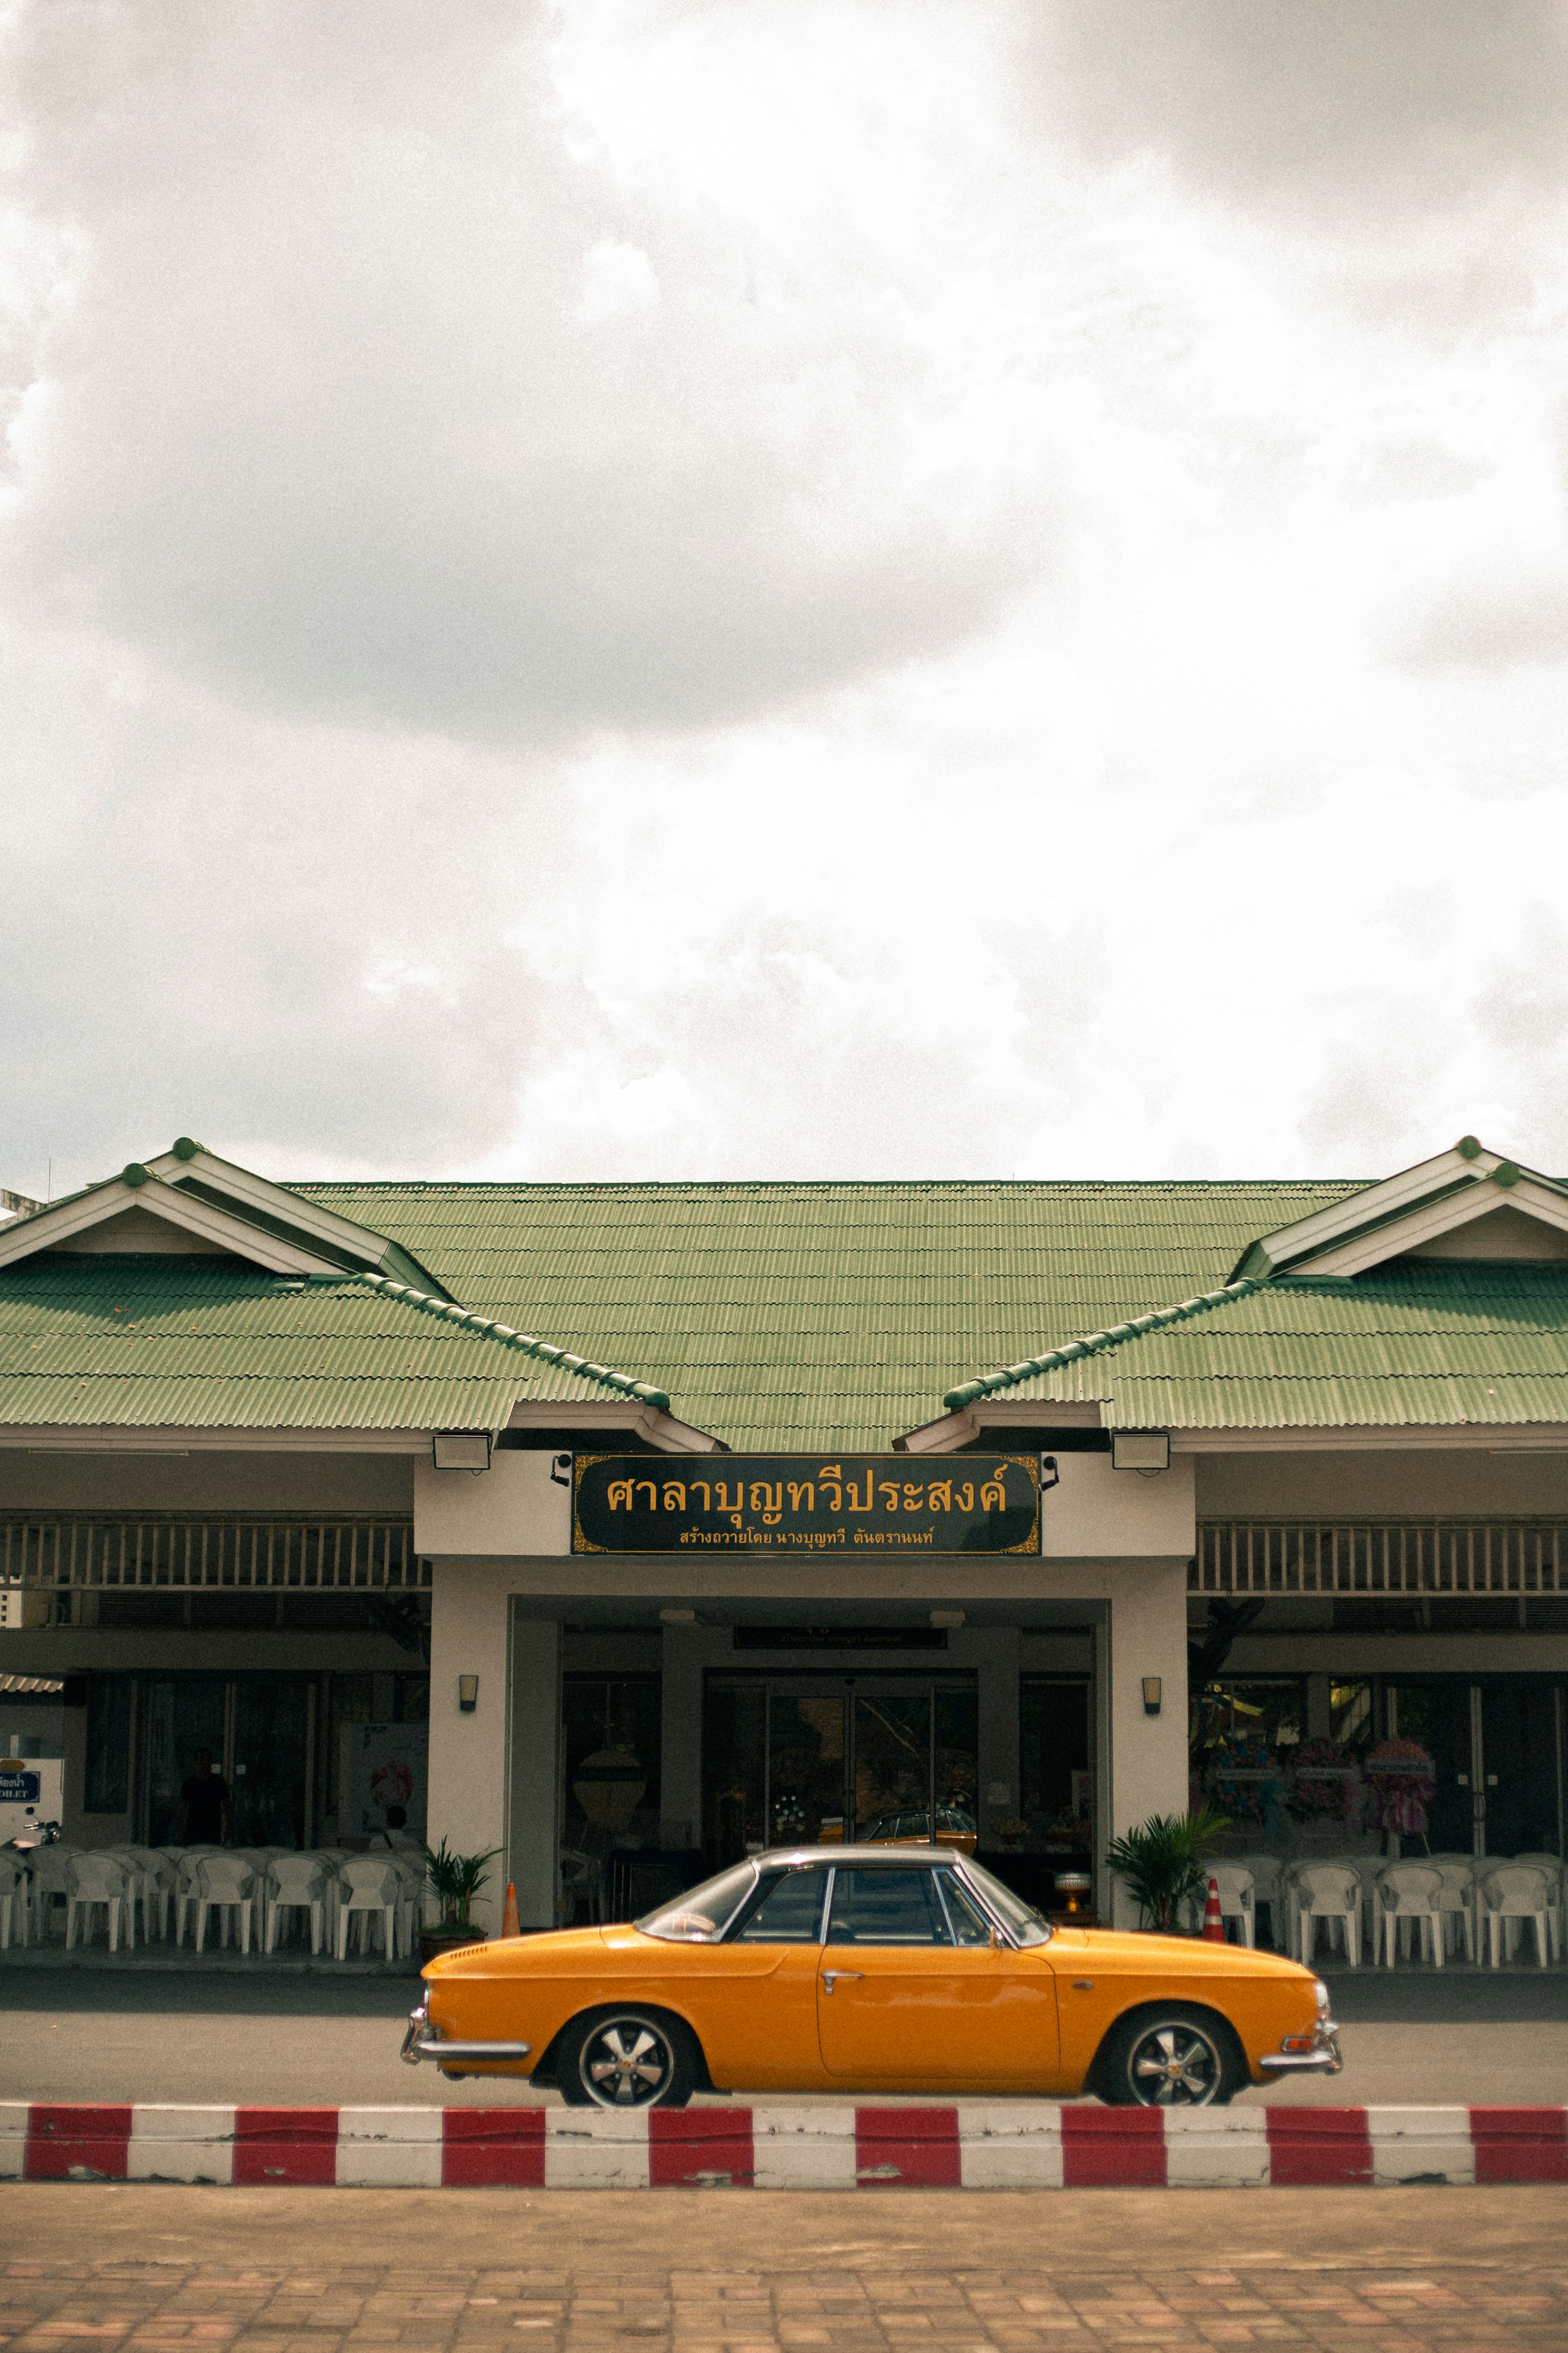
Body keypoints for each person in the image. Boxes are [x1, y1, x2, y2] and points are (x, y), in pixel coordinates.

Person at [174, 1747, 232, 1844]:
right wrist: (178, 1829)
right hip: (193, 1828)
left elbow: (227, 1806)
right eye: (201, 1760)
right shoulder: (189, 1783)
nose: (203, 1763)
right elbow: (182, 1808)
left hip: (213, 1828)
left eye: (206, 1760)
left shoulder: (218, 1782)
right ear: (195, 1762)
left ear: (210, 1763)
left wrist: (229, 1826)